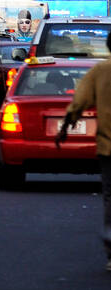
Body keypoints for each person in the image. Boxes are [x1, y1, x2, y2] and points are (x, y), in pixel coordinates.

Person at [56, 31, 111, 270]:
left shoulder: (100, 72)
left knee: (110, 196)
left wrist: (65, 128)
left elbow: (79, 102)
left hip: (109, 148)